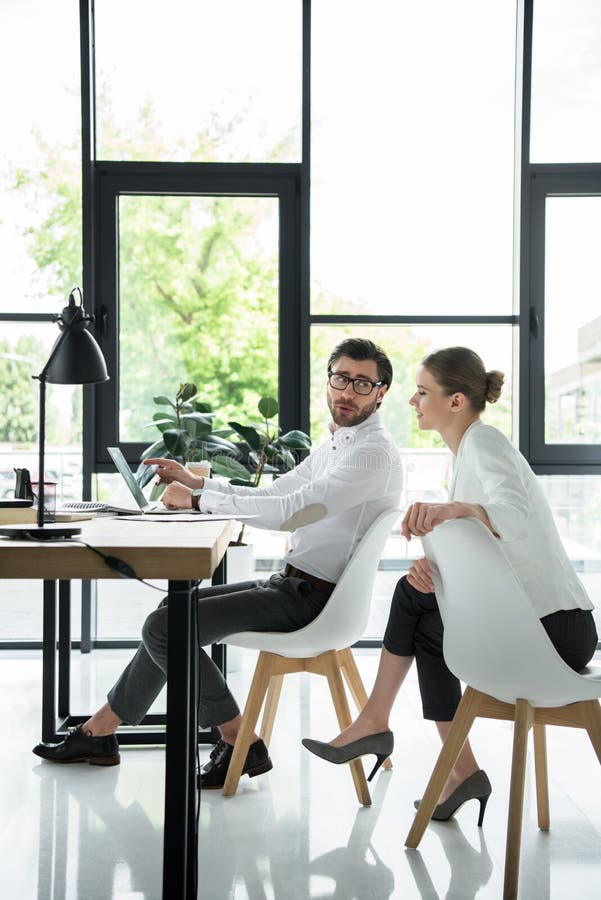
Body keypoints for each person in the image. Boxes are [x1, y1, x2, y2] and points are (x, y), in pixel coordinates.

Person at [33, 338, 403, 789]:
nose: (347, 391)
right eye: (341, 378)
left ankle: (237, 740)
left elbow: (292, 512)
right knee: (168, 618)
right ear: (329, 379)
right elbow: (272, 494)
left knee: (165, 628)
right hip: (293, 585)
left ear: (381, 392)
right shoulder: (339, 445)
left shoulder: (370, 453)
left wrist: (197, 499)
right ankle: (100, 731)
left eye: (361, 383)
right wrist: (197, 484)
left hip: (313, 601)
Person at [302, 346, 598, 823]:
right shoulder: (458, 461)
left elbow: (514, 515)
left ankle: (380, 725)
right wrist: (434, 569)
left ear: (456, 402)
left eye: (423, 393)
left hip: (559, 628)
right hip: (532, 622)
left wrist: (454, 510)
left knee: (412, 602)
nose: (413, 402)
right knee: (416, 598)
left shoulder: (485, 442)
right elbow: (491, 555)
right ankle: (454, 767)